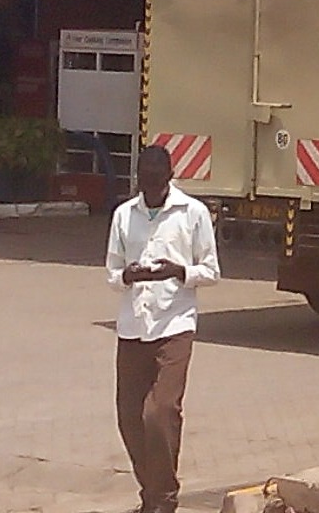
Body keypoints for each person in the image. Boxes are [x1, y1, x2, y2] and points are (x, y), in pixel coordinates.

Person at [109, 143, 221, 511]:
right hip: (132, 326)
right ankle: (152, 493)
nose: (151, 187)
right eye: (145, 179)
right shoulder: (125, 215)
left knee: (159, 413)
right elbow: (113, 272)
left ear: (170, 176)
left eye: (157, 179)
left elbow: (211, 271)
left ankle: (165, 497)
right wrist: (128, 275)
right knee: (129, 418)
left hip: (175, 324)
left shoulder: (193, 213)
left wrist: (180, 272)